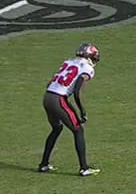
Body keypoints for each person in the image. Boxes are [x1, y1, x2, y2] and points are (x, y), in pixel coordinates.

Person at [39, 44, 102, 175]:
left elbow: (50, 82)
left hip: (48, 96)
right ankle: (84, 168)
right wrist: (82, 111)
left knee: (57, 128)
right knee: (78, 130)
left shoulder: (68, 62)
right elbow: (77, 92)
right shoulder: (87, 68)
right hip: (58, 99)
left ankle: (44, 164)